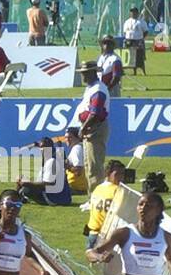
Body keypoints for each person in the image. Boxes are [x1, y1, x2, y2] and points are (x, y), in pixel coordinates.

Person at [75, 61, 110, 193]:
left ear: (92, 73)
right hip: (92, 128)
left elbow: (95, 113)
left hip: (95, 128)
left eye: (84, 73)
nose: (82, 76)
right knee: (89, 165)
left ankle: (96, 198)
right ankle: (92, 196)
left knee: (95, 166)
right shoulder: (92, 87)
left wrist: (84, 127)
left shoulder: (98, 90)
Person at [16, 138, 72, 206]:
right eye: (40, 148)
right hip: (59, 196)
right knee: (23, 181)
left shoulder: (52, 161)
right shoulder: (47, 160)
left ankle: (18, 198)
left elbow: (48, 184)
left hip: (56, 198)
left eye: (42, 148)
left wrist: (28, 183)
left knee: (27, 189)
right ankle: (17, 198)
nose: (40, 150)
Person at [84, 159, 126, 249]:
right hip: (106, 235)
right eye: (117, 174)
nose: (121, 178)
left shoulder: (98, 188)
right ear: (108, 173)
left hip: (92, 232)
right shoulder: (118, 191)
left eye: (122, 174)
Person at [122, 7, 148, 75]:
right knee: (128, 56)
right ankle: (128, 70)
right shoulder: (127, 21)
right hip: (129, 41)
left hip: (138, 41)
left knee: (139, 56)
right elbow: (125, 31)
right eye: (132, 12)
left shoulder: (141, 21)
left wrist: (141, 38)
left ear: (137, 13)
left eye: (134, 12)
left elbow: (145, 31)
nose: (133, 13)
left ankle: (142, 70)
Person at [63, 127, 87, 195]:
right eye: (66, 137)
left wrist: (65, 165)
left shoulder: (77, 148)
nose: (67, 140)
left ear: (78, 138)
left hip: (76, 186)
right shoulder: (80, 147)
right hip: (79, 185)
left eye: (70, 137)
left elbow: (78, 170)